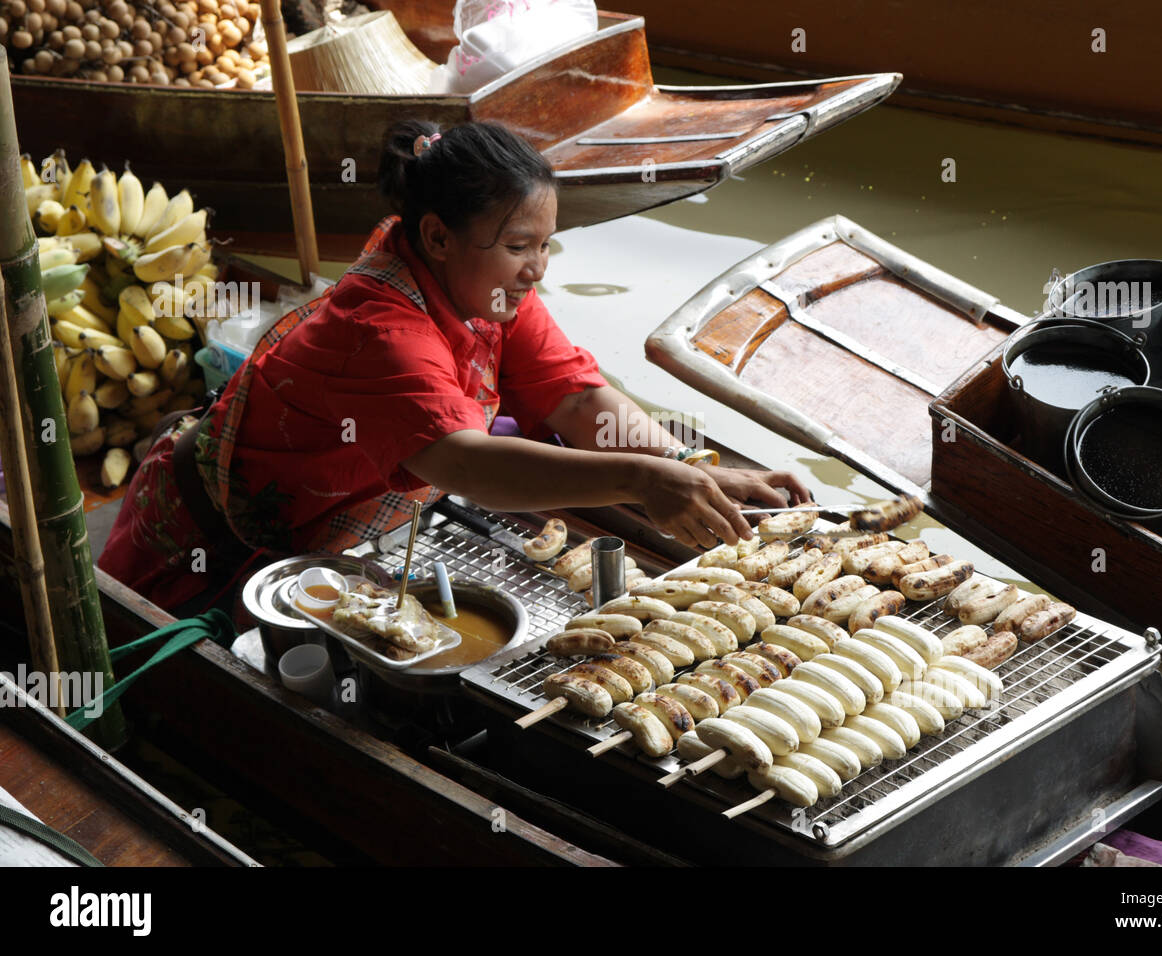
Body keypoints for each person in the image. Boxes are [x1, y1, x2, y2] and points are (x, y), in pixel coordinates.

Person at [98, 120, 809, 614]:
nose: (537, 270)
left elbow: (578, 401)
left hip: (328, 523)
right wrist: (640, 478)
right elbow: (467, 466)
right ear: (437, 236)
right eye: (520, 245)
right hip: (207, 543)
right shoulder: (380, 333)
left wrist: (697, 469)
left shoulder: (490, 288)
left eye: (547, 246)